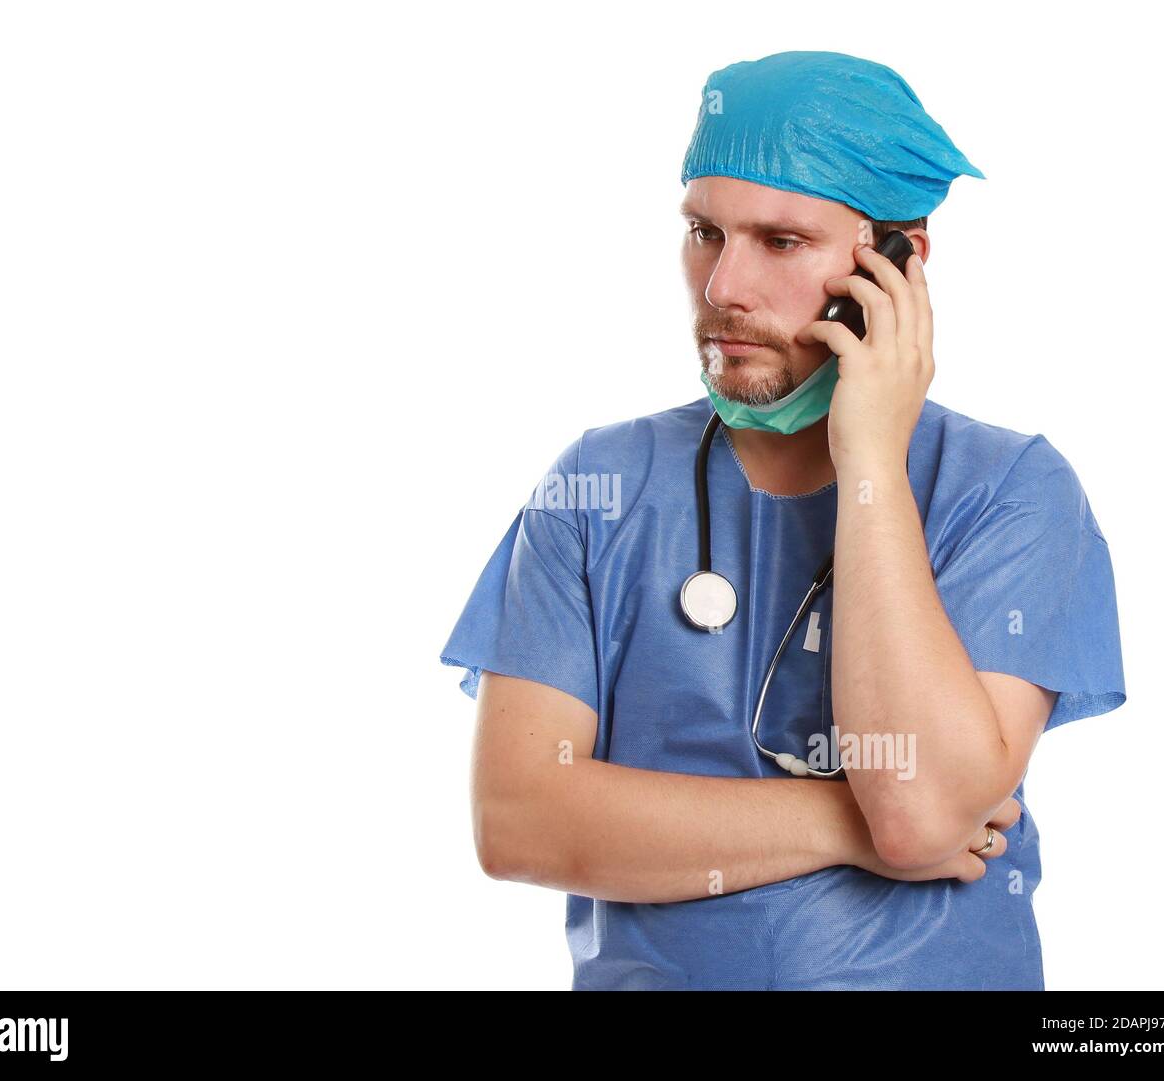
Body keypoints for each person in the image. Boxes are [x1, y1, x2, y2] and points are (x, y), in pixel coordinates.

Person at [438, 50, 1126, 991]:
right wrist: (850, 824)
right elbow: (517, 820)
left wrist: (873, 463)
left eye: (782, 242)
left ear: (896, 263)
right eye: (703, 232)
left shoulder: (1010, 491)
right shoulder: (598, 484)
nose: (724, 287)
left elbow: (921, 805)